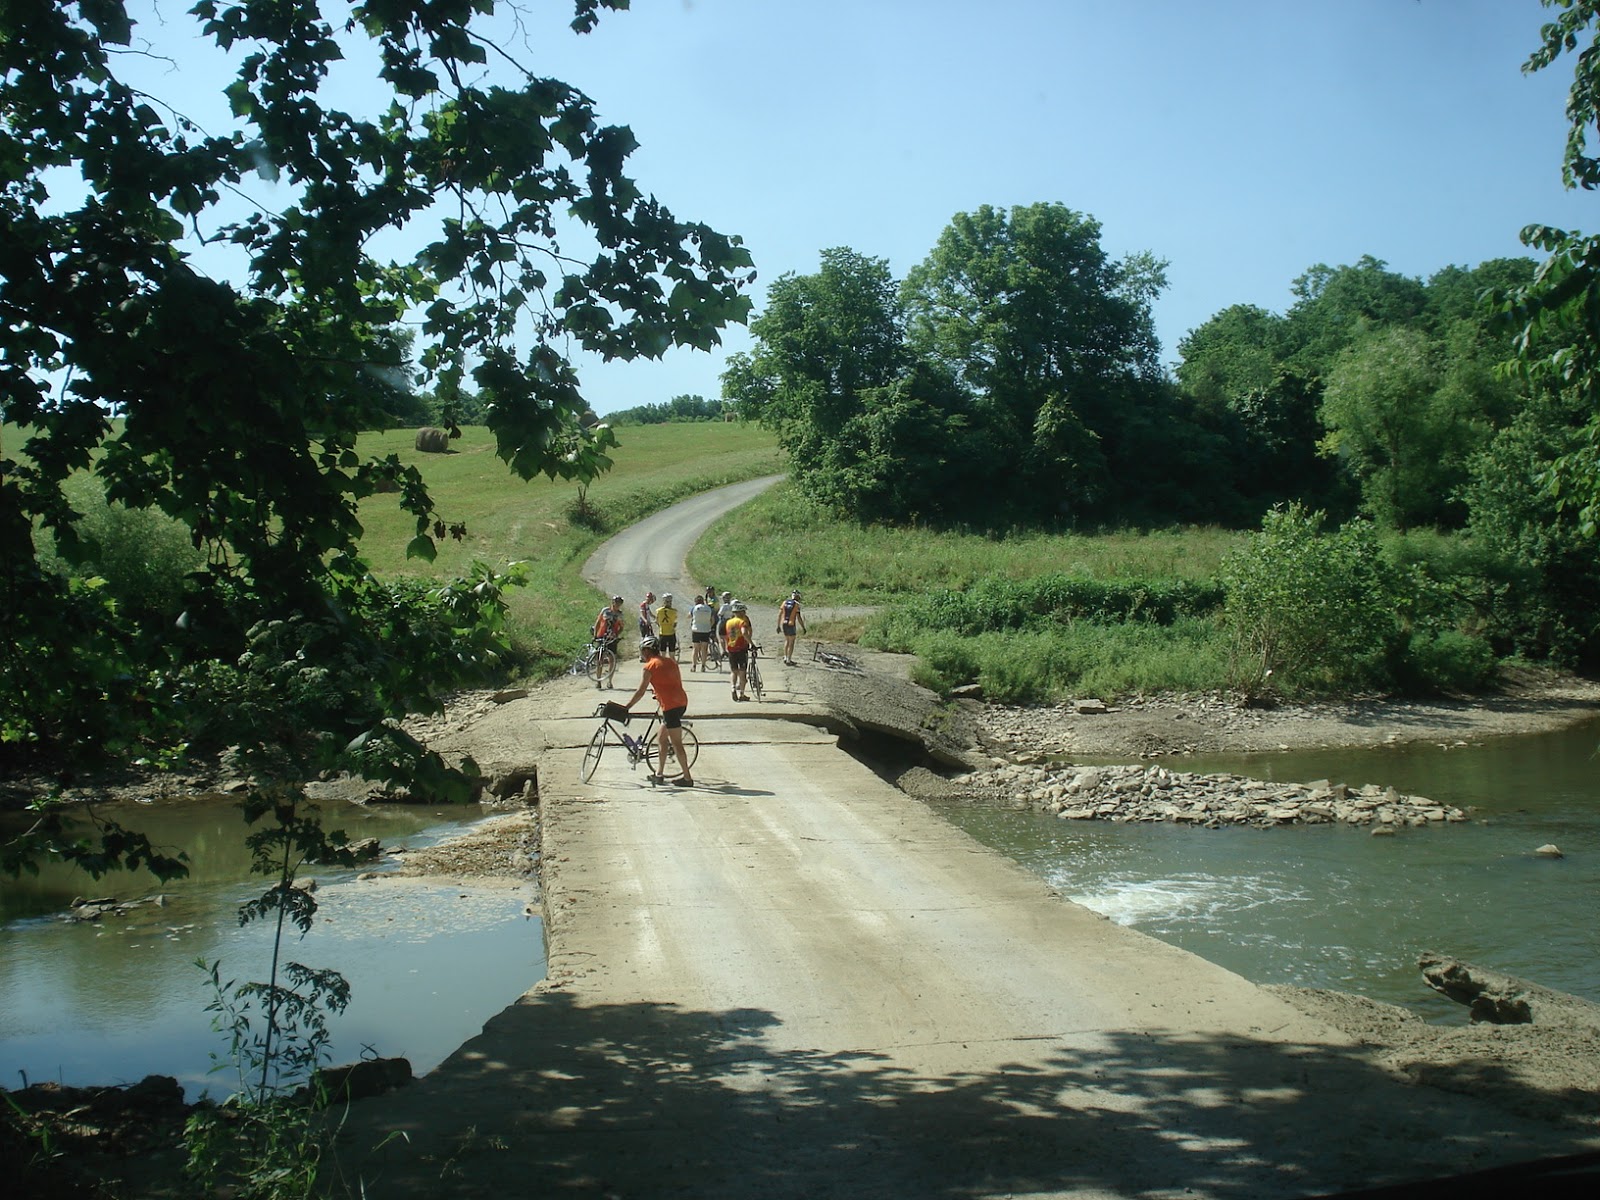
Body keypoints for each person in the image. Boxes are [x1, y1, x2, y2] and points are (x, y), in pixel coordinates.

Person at [624, 636, 693, 786]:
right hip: (681, 702)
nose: (642, 653)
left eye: (643, 650)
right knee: (662, 739)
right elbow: (674, 681)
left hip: (670, 707)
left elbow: (640, 692)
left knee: (676, 743)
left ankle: (687, 778)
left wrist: (627, 707)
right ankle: (659, 774)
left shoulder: (650, 666)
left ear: (647, 651)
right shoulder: (671, 661)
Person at [724, 599, 753, 702]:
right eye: (744, 611)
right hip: (741, 648)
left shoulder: (728, 622)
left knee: (733, 671)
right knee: (742, 671)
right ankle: (742, 694)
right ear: (740, 612)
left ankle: (733, 688)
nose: (745, 613)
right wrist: (751, 643)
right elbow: (744, 633)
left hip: (731, 648)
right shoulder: (742, 622)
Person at [592, 595, 624, 669]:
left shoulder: (620, 614)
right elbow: (598, 622)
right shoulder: (605, 610)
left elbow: (621, 627)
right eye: (616, 603)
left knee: (612, 660)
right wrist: (595, 635)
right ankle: (598, 679)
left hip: (612, 638)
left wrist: (616, 635)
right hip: (602, 635)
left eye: (619, 603)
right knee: (600, 659)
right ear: (613, 602)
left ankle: (610, 680)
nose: (618, 605)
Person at [777, 589, 807, 665]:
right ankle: (789, 659)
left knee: (787, 640)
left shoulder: (784, 602)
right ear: (798, 597)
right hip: (791, 624)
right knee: (792, 642)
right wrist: (803, 627)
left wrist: (778, 625)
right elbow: (798, 617)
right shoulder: (797, 605)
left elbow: (780, 614)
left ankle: (785, 657)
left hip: (784, 623)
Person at [689, 593, 716, 671]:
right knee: (704, 648)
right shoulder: (708, 608)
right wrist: (709, 626)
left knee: (695, 648)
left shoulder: (694, 608)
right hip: (705, 630)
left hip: (696, 629)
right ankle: (703, 666)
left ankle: (694, 666)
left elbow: (688, 616)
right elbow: (713, 620)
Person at [654, 593, 679, 660]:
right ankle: (673, 668)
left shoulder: (658, 611)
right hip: (671, 633)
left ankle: (662, 668)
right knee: (672, 655)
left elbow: (656, 621)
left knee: (662, 655)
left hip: (662, 633)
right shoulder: (674, 611)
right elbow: (675, 622)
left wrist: (661, 625)